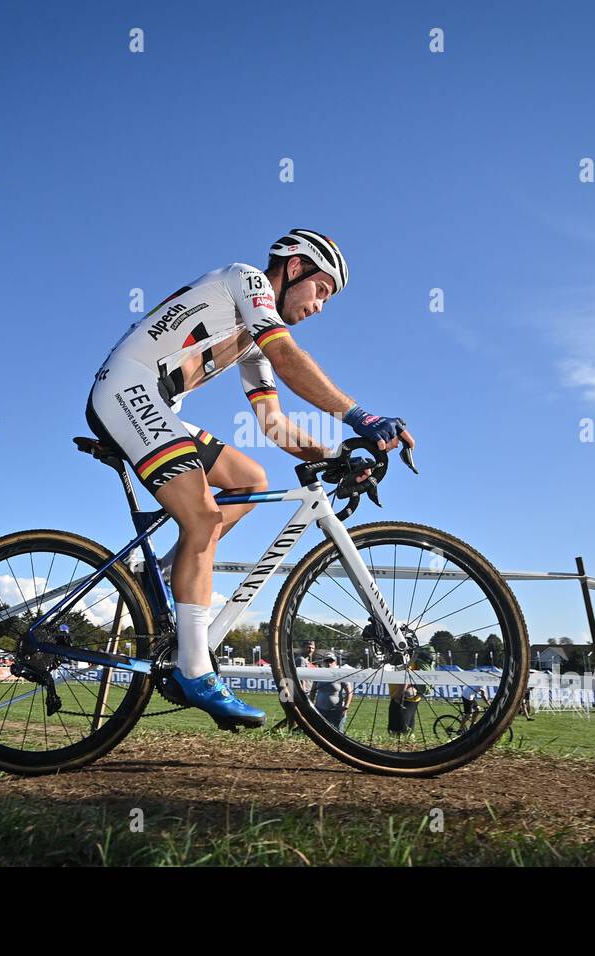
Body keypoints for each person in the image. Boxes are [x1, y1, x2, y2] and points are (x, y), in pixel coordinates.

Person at [85, 230, 414, 730]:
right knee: (202, 518)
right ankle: (195, 670)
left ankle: (163, 577)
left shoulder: (252, 343)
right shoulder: (249, 280)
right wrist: (360, 417)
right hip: (128, 391)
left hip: (156, 407)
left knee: (249, 479)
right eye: (321, 289)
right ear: (295, 268)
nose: (321, 306)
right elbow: (288, 359)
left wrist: (337, 455)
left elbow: (275, 425)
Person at [309, 652, 351, 732]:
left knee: (337, 733)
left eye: (331, 661)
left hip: (336, 711)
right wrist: (311, 704)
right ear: (323, 662)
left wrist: (346, 706)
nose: (329, 663)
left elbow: (349, 691)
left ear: (335, 662)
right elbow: (313, 691)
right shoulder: (319, 674)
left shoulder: (341, 674)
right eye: (326, 661)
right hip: (319, 710)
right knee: (319, 732)